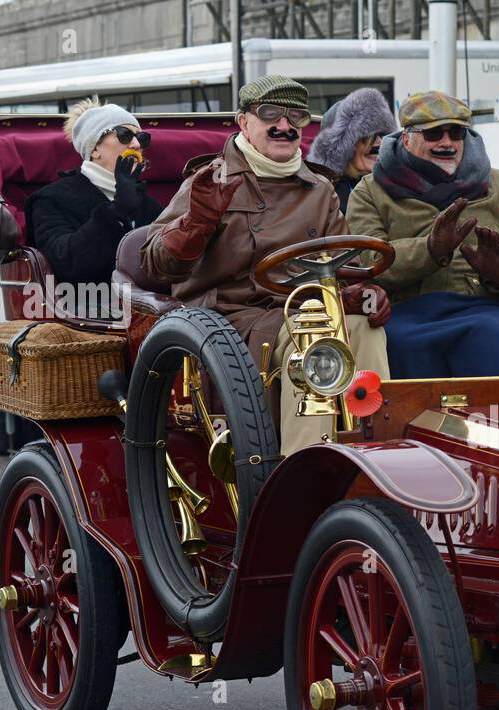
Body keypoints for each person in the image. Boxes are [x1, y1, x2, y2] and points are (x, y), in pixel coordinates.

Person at [141, 75, 390, 456]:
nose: (284, 126)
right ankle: (303, 470)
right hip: (228, 319)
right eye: (270, 113)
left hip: (302, 309)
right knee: (312, 336)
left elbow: (346, 265)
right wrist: (197, 221)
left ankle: (377, 450)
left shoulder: (319, 189)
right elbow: (155, 263)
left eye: (295, 117)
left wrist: (361, 293)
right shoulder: (211, 179)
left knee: (364, 328)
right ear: (243, 123)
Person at [345, 91, 499, 380]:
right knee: (394, 342)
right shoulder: (371, 190)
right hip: (407, 313)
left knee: (488, 333)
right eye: (434, 133)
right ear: (407, 138)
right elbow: (366, 262)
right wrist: (430, 250)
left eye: (456, 132)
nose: (447, 142)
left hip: (487, 310)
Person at [25, 96, 163, 286]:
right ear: (95, 148)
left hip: (152, 309)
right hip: (84, 307)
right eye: (124, 135)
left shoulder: (148, 204)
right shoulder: (51, 199)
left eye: (141, 138)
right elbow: (67, 263)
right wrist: (115, 212)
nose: (136, 145)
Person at [305, 88, 397, 214]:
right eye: (369, 136)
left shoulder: (397, 187)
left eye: (382, 134)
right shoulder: (321, 199)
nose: (379, 143)